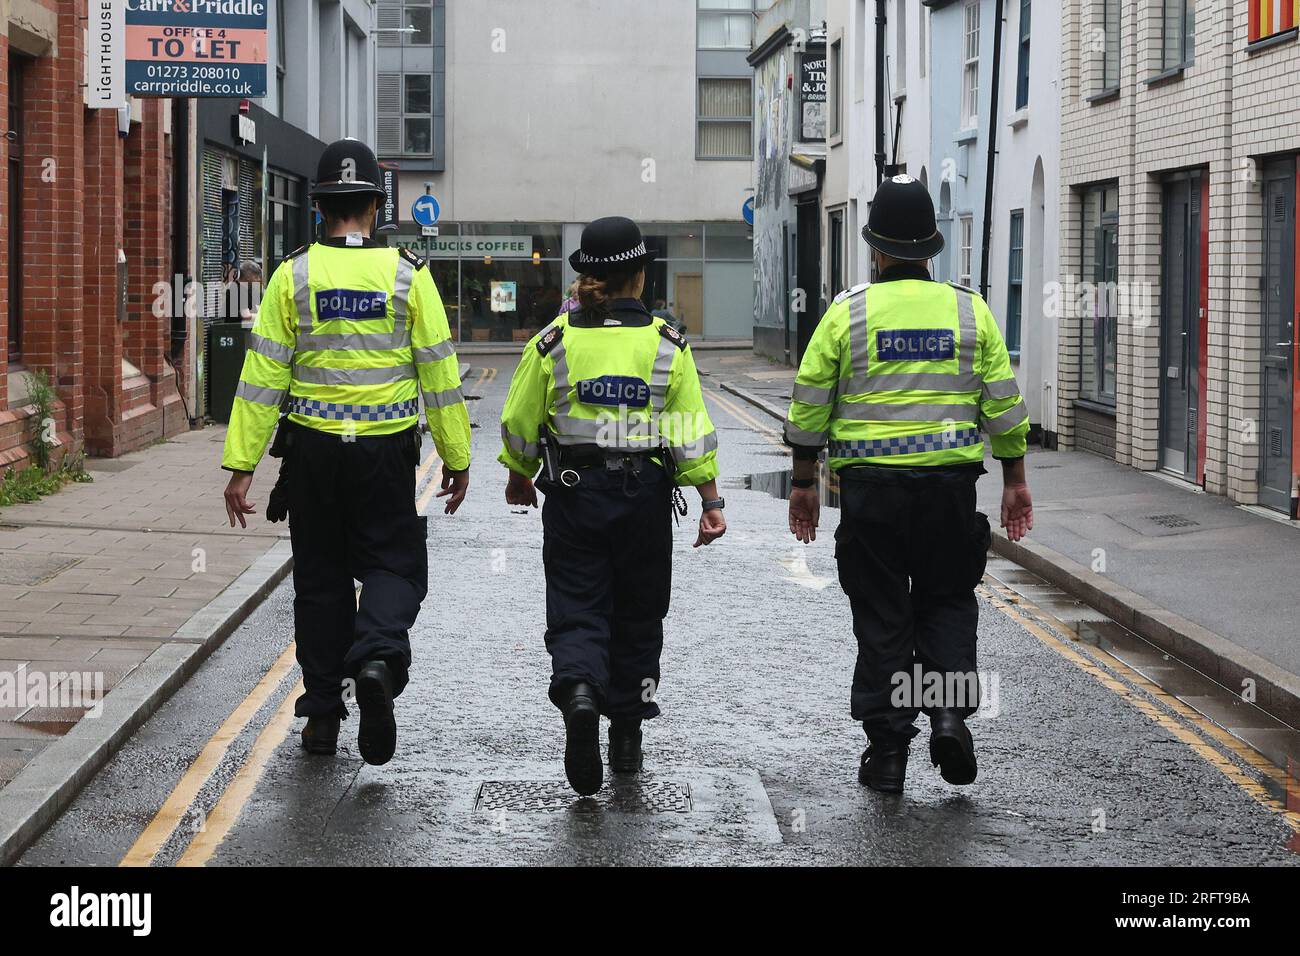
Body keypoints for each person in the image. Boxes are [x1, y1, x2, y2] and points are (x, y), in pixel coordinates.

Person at [221, 138, 471, 766]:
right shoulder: (410, 275)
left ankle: (323, 718)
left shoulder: (293, 275)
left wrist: (241, 466)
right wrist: (457, 458)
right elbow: (439, 376)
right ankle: (380, 659)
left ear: (319, 206)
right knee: (394, 566)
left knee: (322, 582)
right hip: (385, 456)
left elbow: (261, 381)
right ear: (376, 207)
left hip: (313, 458)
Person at [783, 174, 1033, 794]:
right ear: (931, 248)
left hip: (871, 498)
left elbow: (810, 402)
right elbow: (1003, 404)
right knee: (947, 600)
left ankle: (889, 752)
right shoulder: (968, 311)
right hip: (950, 491)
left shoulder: (848, 312)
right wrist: (1015, 480)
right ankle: (948, 714)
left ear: (875, 247)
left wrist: (803, 482)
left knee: (883, 610)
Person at [498, 216, 727, 796]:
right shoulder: (666, 345)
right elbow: (688, 429)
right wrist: (710, 499)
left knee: (578, 607)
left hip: (575, 496)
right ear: (641, 277)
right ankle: (626, 733)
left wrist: (521, 475)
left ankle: (579, 693)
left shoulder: (553, 342)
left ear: (588, 278)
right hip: (644, 502)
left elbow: (519, 421)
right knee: (639, 615)